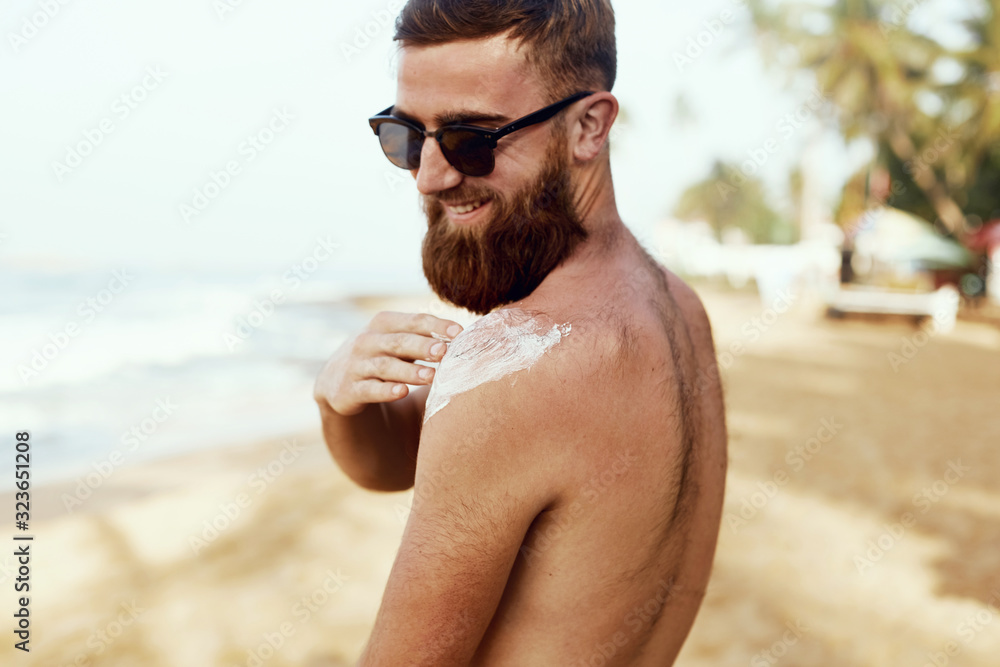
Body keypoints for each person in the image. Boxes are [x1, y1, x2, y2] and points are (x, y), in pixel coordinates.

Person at [312, 1, 727, 664]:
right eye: (405, 136)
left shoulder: (518, 368)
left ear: (589, 125)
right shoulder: (681, 310)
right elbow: (404, 463)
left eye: (470, 140)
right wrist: (338, 401)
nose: (429, 175)